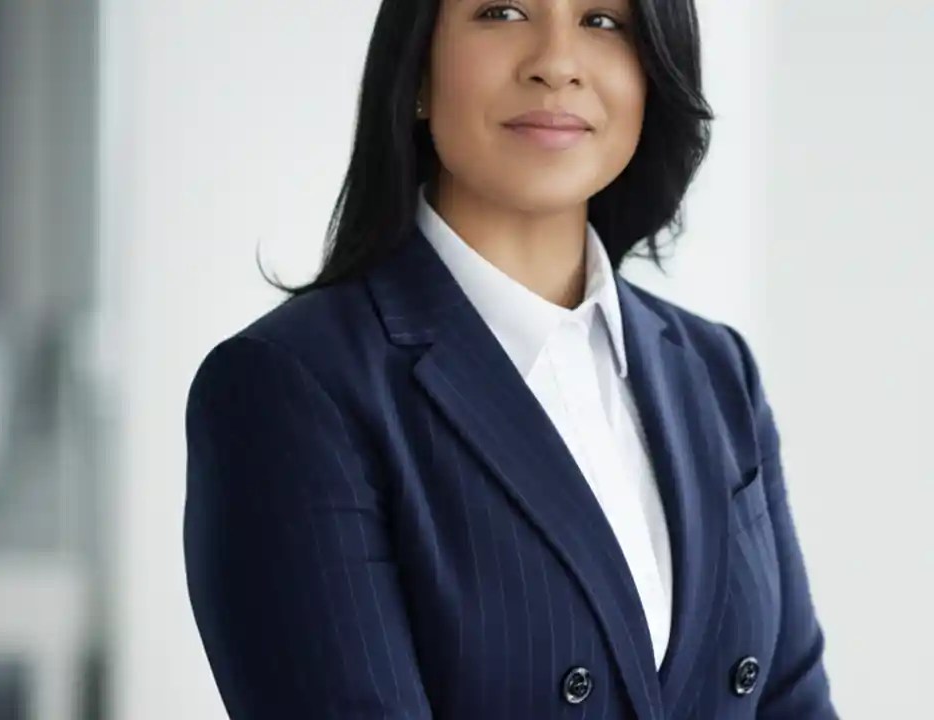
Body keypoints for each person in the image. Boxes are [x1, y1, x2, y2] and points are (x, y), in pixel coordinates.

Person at [183, 0, 837, 717]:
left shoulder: (716, 369)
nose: (556, 63)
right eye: (502, 11)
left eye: (602, 21)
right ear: (418, 71)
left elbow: (792, 700)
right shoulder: (291, 388)